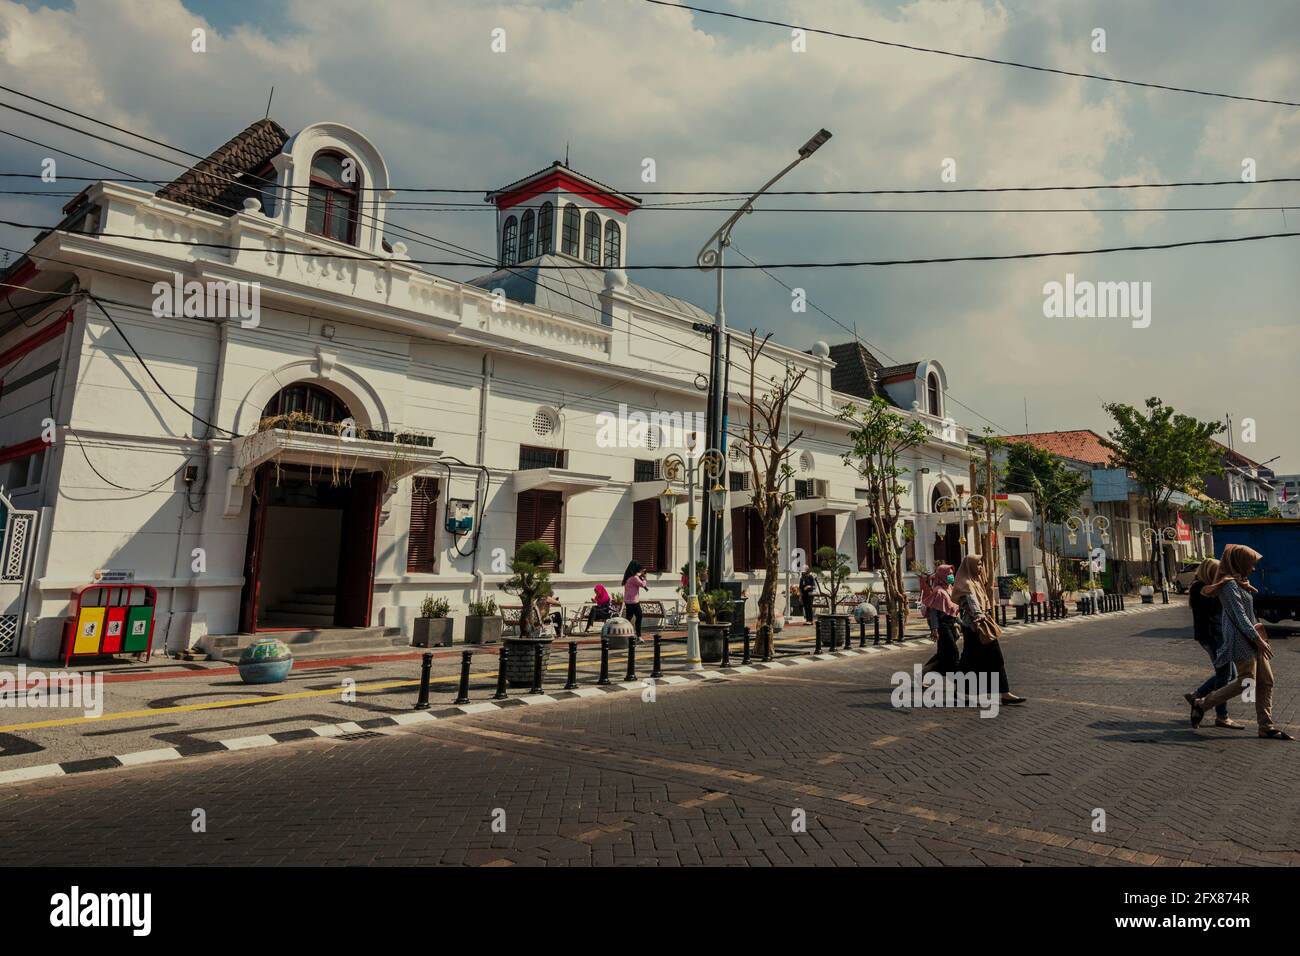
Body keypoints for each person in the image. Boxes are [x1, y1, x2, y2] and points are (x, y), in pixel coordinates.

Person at [1191, 545, 1292, 739]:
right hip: (1241, 639)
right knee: (1247, 683)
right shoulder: (1228, 585)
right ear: (1239, 562)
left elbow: (1249, 614)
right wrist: (1257, 639)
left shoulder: (1238, 582)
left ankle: (1266, 726)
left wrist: (1259, 635)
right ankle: (1202, 704)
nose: (1253, 568)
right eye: (1251, 564)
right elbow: (1239, 616)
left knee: (1266, 681)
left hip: (1252, 637)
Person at [953, 554, 1025, 705]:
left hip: (980, 624)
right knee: (990, 657)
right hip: (976, 626)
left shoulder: (976, 581)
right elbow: (971, 601)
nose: (980, 568)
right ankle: (1002, 693)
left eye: (981, 565)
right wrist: (979, 615)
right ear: (970, 566)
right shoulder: (966, 583)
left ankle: (1002, 692)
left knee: (973, 659)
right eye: (978, 565)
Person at [1183, 558, 1242, 728]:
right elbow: (1211, 605)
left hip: (1215, 635)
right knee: (1224, 675)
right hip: (1212, 636)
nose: (1220, 575)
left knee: (1230, 674)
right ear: (1209, 572)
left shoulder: (1206, 586)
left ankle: (1197, 695)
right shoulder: (1199, 587)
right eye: (1217, 572)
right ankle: (1221, 715)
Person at [922, 564, 961, 676]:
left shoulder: (950, 589)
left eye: (952, 574)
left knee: (942, 654)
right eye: (948, 574)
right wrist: (934, 629)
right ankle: (958, 680)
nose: (951, 576)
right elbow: (934, 612)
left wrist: (959, 623)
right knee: (953, 653)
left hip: (951, 624)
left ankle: (923, 673)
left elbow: (953, 610)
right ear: (942, 575)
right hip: (942, 626)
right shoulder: (938, 592)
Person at [622, 561, 648, 639]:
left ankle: (624, 632)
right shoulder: (634, 578)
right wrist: (644, 577)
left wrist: (641, 576)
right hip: (633, 601)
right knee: (639, 616)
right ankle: (638, 635)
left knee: (629, 618)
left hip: (628, 601)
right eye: (639, 569)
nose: (640, 570)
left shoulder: (628, 577)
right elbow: (643, 584)